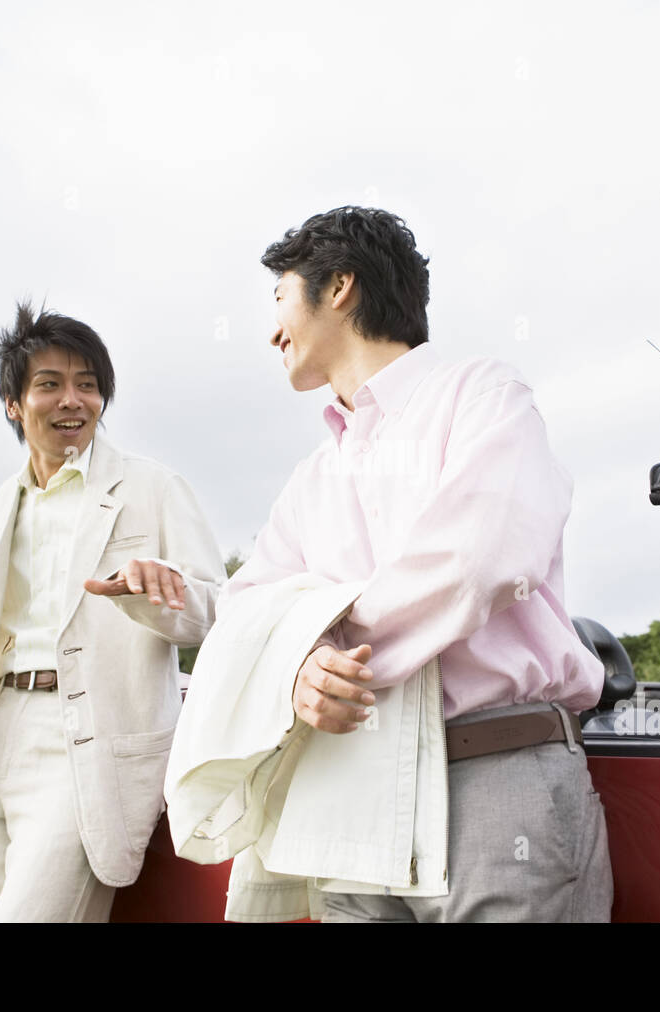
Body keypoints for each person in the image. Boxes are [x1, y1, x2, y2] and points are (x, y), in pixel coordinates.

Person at [221, 206, 613, 921]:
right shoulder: (312, 478)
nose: (271, 329)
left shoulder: (484, 395)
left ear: (338, 287)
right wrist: (296, 665)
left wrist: (328, 652)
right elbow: (249, 607)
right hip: (348, 797)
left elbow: (480, 558)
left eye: (280, 297)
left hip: (491, 785)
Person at [0, 300, 224, 921]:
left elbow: (213, 611)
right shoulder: (8, 498)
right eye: (49, 385)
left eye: (87, 385)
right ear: (13, 404)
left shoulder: (151, 487)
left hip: (82, 744)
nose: (71, 400)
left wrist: (155, 593)